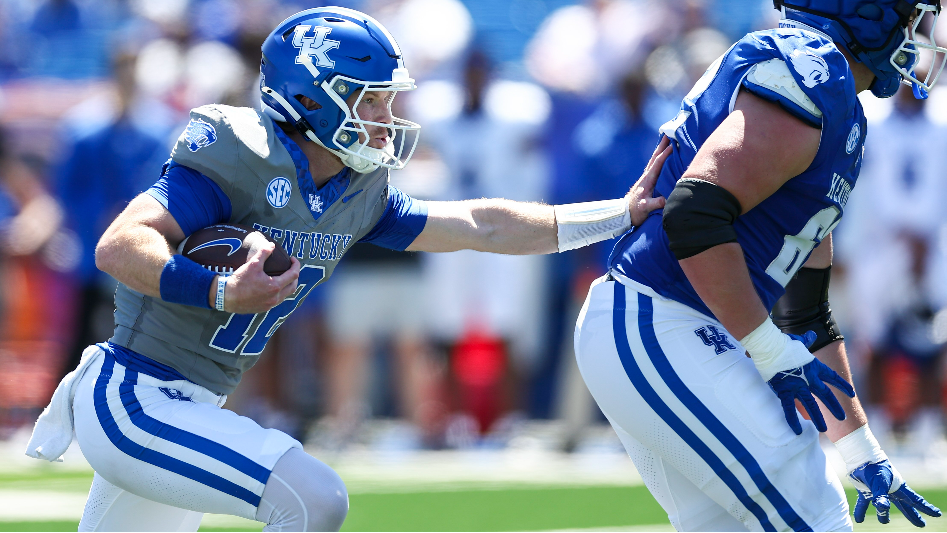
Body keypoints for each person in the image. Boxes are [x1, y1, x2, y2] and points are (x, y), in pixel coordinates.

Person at [24, 7, 668, 532]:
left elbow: (482, 224)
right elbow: (119, 244)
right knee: (314, 498)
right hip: (137, 399)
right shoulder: (240, 153)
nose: (388, 119)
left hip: (194, 401)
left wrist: (616, 214)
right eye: (370, 101)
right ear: (311, 97)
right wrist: (218, 286)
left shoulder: (357, 193)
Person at [574, 0, 945, 531]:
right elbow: (694, 214)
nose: (917, 31)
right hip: (662, 318)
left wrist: (862, 450)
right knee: (815, 512)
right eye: (907, 14)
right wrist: (771, 354)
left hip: (676, 329)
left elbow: (807, 314)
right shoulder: (812, 74)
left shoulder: (841, 108)